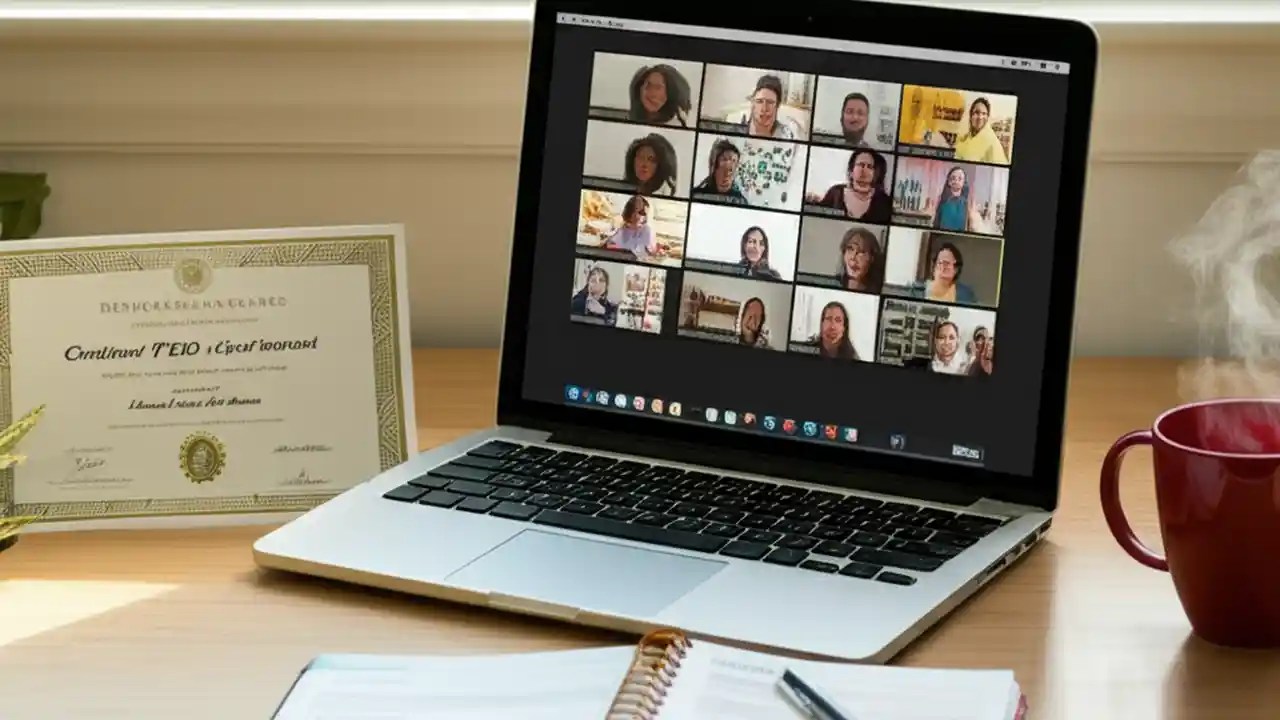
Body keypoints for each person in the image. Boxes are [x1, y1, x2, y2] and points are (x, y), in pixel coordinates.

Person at [808, 149, 893, 224]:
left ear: (875, 173)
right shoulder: (836, 193)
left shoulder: (883, 201)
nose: (864, 170)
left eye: (870, 167)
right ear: (851, 171)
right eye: (861, 165)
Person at [953, 97, 1009, 164]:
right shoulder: (964, 139)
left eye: (984, 113)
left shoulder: (991, 142)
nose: (980, 117)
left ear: (987, 117)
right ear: (971, 116)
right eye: (977, 112)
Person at [740, 75, 796, 139]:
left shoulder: (786, 135)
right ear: (753, 103)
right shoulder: (739, 130)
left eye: (770, 102)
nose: (764, 109)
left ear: (777, 105)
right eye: (759, 101)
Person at [692, 139, 747, 203]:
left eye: (730, 170)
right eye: (722, 169)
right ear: (713, 167)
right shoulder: (697, 196)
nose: (727, 175)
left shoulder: (740, 201)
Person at [931, 166, 983, 233]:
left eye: (960, 178)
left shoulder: (968, 204)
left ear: (964, 182)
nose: (956, 181)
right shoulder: (941, 201)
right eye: (953, 178)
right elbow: (936, 222)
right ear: (949, 182)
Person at [836, 226, 884, 293]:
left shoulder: (878, 291)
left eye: (861, 252)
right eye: (850, 249)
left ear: (872, 258)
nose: (853, 257)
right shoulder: (834, 284)